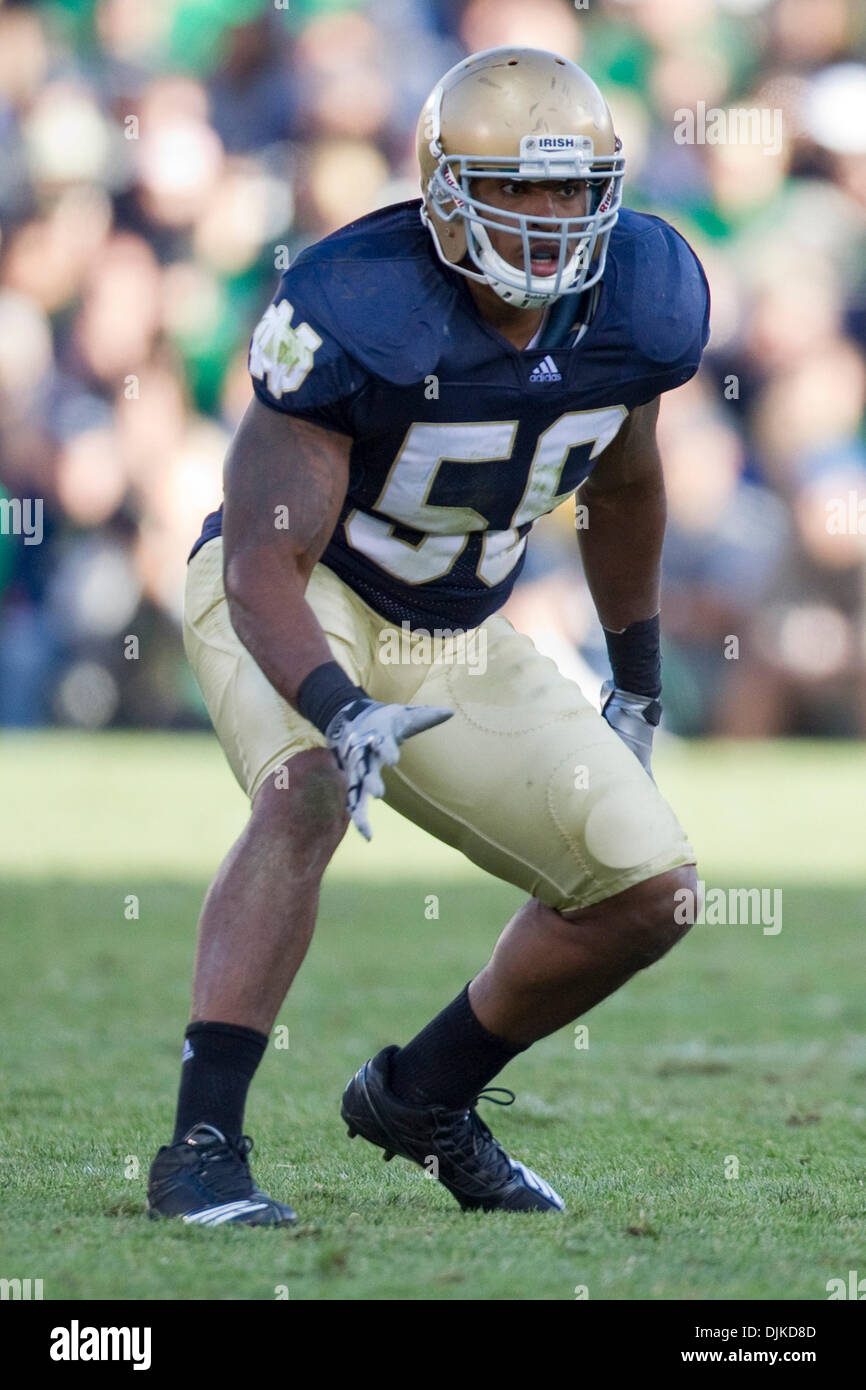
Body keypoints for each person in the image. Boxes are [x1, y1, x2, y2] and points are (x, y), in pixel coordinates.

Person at [147, 45, 710, 1225]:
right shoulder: (357, 304)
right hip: (307, 598)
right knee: (302, 789)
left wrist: (639, 683)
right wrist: (339, 710)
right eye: (519, 186)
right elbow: (261, 560)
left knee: (645, 889)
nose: (552, 220)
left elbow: (626, 489)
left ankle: (422, 1097)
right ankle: (200, 1149)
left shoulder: (641, 297)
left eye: (572, 188)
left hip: (457, 630)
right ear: (445, 186)